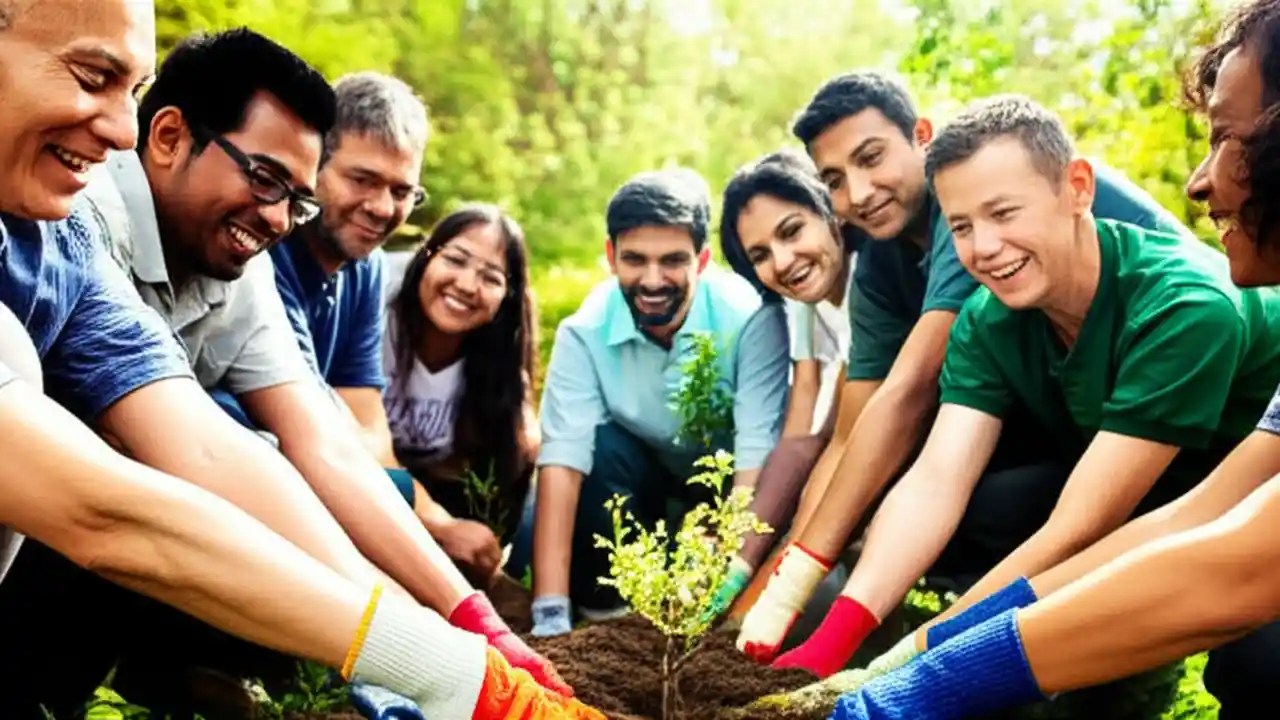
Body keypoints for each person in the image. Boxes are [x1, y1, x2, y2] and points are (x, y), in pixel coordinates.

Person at [0, 2, 602, 719]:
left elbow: (212, 445)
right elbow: (101, 508)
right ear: (171, 138)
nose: (119, 130)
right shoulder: (89, 208)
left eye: (130, 91)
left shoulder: (59, 241)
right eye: (93, 76)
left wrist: (446, 631)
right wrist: (438, 669)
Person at [832, 2, 1280, 717]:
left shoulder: (1188, 302)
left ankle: (1125, 680)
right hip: (1181, 484)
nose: (1199, 184)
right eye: (963, 228)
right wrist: (901, 646)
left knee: (1260, 660)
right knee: (992, 511)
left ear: (1076, 189)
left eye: (1229, 139)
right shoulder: (990, 315)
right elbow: (1198, 515)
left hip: (1175, 478)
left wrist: (934, 674)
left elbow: (1237, 561)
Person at [732, 71, 1205, 674]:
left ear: (919, 138)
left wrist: (915, 655)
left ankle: (1049, 661)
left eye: (871, 158)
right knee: (952, 512)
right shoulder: (905, 272)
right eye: (834, 180)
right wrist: (787, 586)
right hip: (1090, 421)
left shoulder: (979, 235)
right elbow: (861, 432)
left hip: (1184, 412)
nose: (858, 192)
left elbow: (907, 394)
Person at [518, 168, 790, 636]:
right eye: (635, 259)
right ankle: (610, 619)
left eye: (672, 261)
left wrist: (726, 560)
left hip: (731, 485)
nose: (652, 279)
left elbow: (756, 451)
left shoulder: (749, 318)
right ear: (610, 256)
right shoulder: (584, 333)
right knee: (582, 470)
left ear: (702, 261)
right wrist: (549, 610)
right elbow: (562, 463)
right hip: (641, 481)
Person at [265, 72, 507, 586]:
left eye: (401, 191)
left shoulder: (365, 268)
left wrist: (435, 522)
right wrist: (433, 526)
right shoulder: (269, 251)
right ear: (315, 163)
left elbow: (365, 423)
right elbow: (311, 428)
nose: (381, 208)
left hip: (321, 459)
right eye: (362, 180)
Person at [383, 204, 539, 567]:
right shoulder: (377, 313)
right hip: (361, 483)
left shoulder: (497, 362)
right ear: (426, 256)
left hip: (434, 492)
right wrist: (438, 525)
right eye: (455, 260)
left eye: (491, 278)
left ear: (507, 298)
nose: (468, 285)